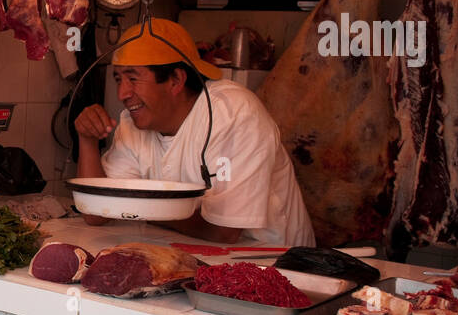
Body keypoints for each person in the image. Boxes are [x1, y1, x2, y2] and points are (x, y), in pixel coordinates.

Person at [74, 19, 315, 247]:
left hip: (274, 262)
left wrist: (140, 210)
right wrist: (87, 140)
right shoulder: (132, 125)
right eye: (118, 79)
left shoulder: (231, 112)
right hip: (194, 254)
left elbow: (224, 231)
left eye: (133, 78)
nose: (122, 94)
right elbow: (96, 214)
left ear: (176, 80)